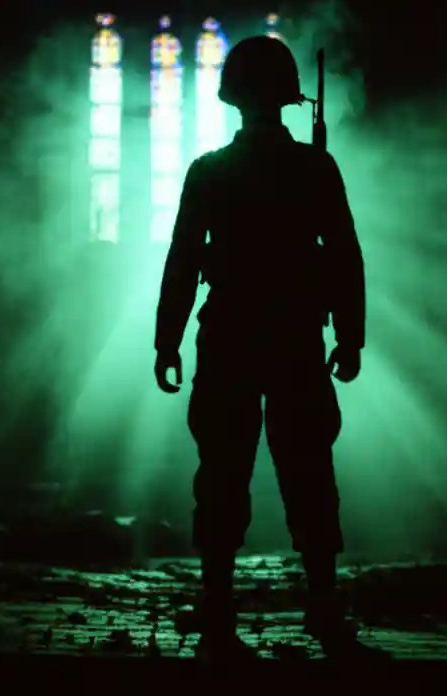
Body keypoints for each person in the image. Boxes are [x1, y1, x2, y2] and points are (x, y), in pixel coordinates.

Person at [153, 36, 374, 660]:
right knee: (307, 469)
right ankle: (323, 606)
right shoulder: (314, 168)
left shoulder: (210, 170)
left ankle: (220, 607)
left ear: (234, 96)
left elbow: (183, 262)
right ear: (286, 95)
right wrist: (349, 335)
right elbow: (344, 256)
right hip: (294, 336)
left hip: (229, 334)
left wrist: (168, 339)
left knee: (223, 470)